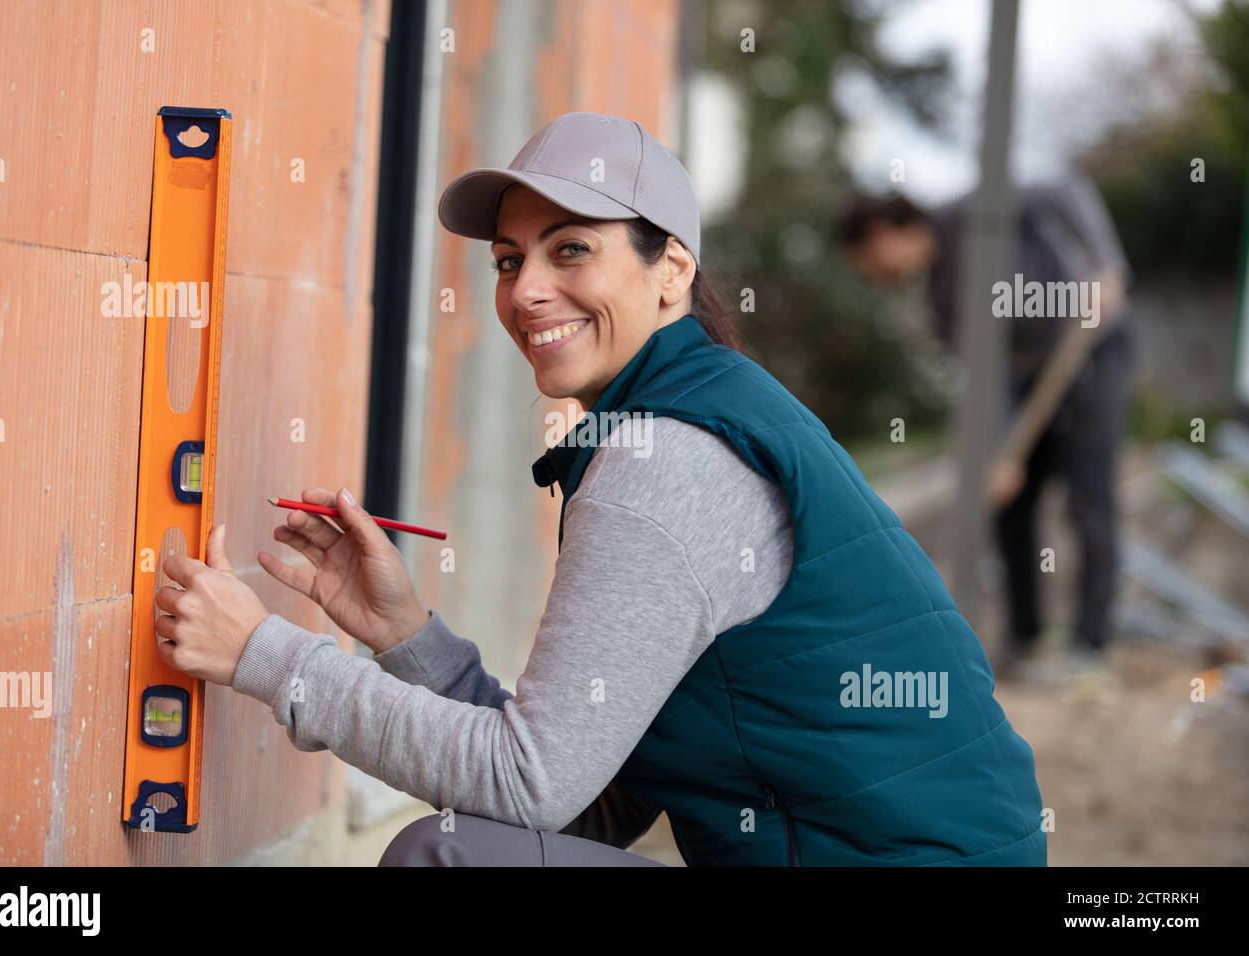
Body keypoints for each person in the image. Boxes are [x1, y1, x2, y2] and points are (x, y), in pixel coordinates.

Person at [151, 111, 1046, 866]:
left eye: (570, 249)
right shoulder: (703, 409)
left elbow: (529, 785)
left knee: (449, 858)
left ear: (673, 270)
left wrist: (262, 654)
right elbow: (595, 806)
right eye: (508, 262)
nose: (528, 291)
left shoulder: (665, 460)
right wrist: (403, 635)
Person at [837, 177, 1136, 678]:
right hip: (1028, 374)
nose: (876, 277)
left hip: (1090, 346)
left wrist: (1105, 266)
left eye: (871, 264)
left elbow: (1065, 190)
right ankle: (1025, 638)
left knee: (1089, 497)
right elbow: (986, 373)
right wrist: (1000, 451)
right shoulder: (940, 300)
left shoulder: (972, 213)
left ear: (884, 234)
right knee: (1011, 503)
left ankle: (1091, 646)